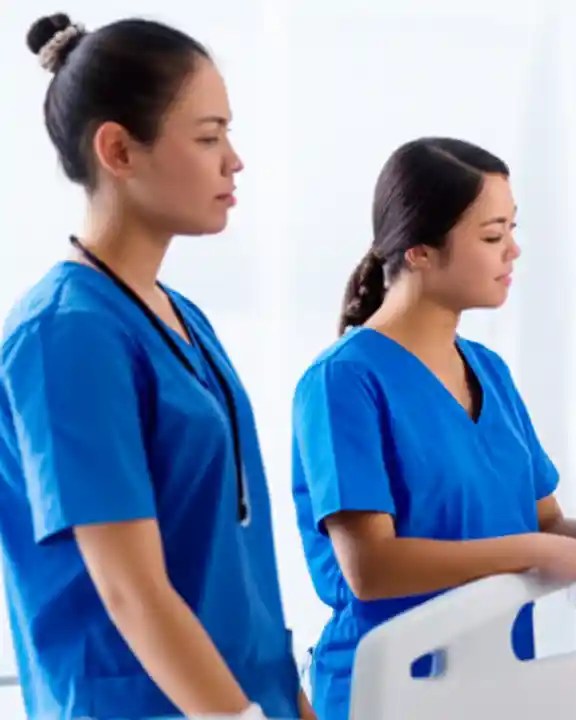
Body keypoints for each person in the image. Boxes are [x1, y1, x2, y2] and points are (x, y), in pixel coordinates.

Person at [291, 137, 576, 720]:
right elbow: (372, 569)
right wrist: (533, 550)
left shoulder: (488, 371)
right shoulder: (343, 382)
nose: (514, 251)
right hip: (385, 693)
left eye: (512, 230)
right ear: (421, 251)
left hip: (496, 686)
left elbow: (544, 521)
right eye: (492, 236)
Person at [0, 14, 313, 720]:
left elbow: (229, 556)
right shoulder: (65, 335)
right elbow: (129, 590)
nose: (234, 160)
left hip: (246, 697)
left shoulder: (181, 319)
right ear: (117, 149)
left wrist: (287, 698)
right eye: (208, 137)